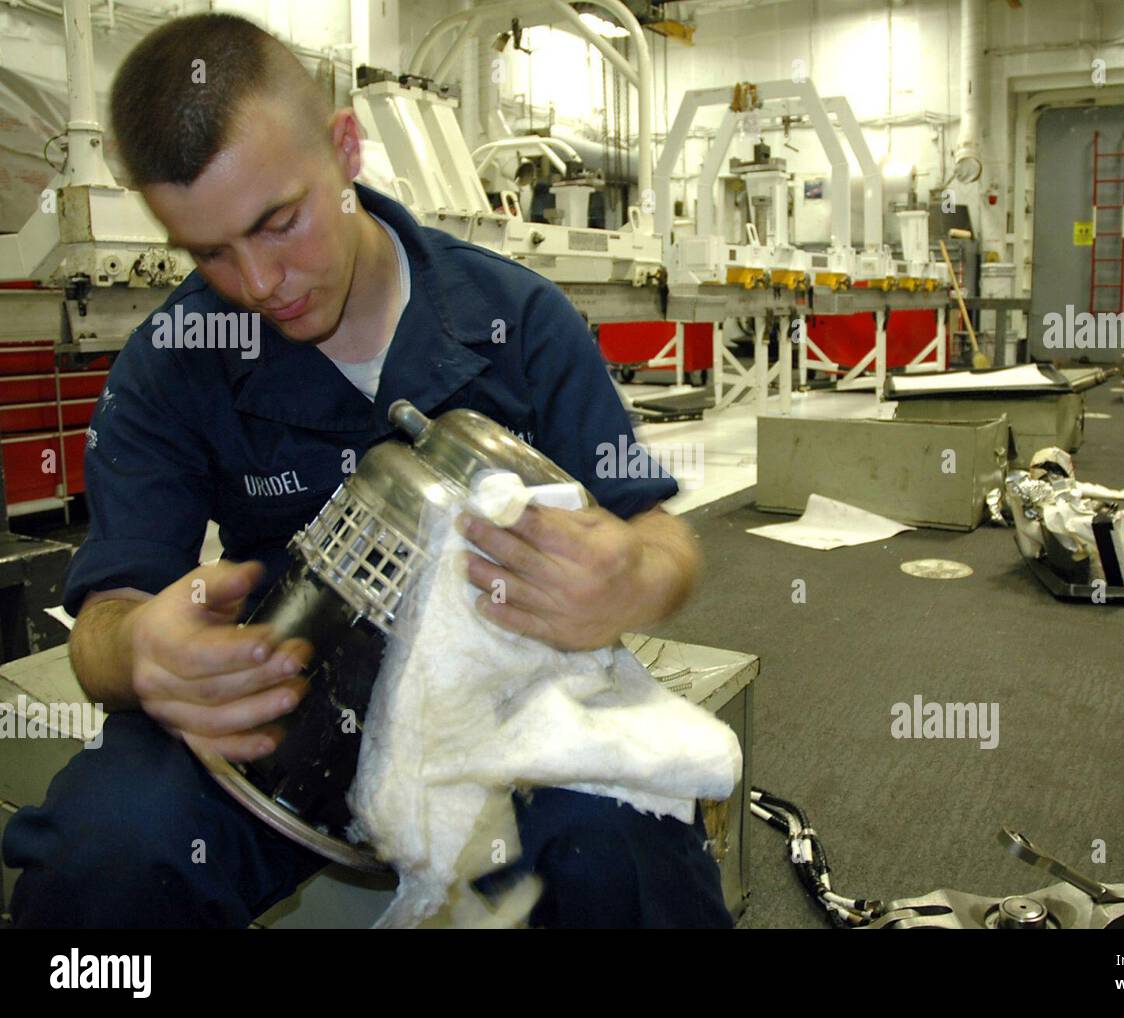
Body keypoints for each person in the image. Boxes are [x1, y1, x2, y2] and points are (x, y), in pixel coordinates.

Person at [2, 12, 730, 929]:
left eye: (279, 223)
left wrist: (632, 575)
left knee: (623, 856)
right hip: (276, 701)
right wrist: (143, 651)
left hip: (501, 713)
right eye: (211, 253)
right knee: (100, 860)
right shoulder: (173, 358)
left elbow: (661, 533)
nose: (259, 282)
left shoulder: (521, 318)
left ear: (345, 148)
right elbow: (103, 618)